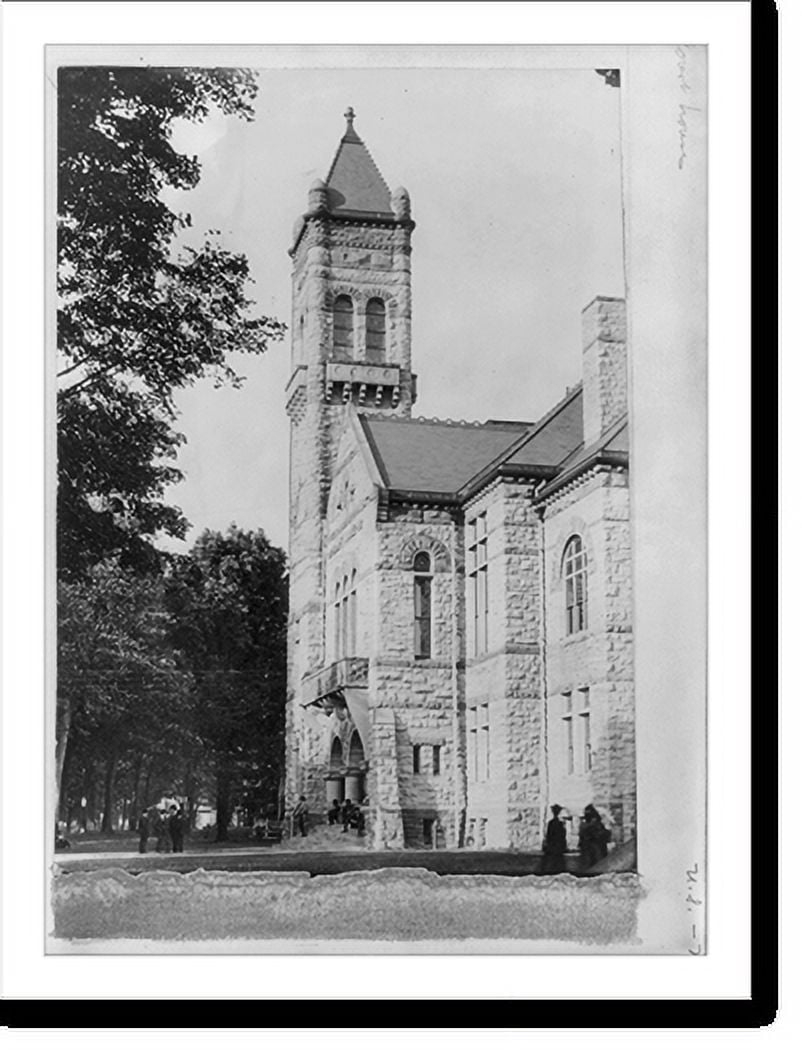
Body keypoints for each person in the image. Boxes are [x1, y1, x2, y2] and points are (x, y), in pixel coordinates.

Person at [578, 804, 610, 870]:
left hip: (596, 848)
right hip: (591, 848)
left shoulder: (596, 825)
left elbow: (603, 835)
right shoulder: (586, 825)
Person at [542, 804, 567, 874]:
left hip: (553, 847)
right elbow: (562, 836)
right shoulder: (559, 824)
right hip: (557, 847)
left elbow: (548, 835)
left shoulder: (552, 823)